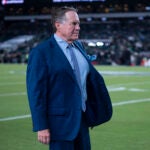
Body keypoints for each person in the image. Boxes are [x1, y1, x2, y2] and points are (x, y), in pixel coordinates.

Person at [26, 6, 112, 150]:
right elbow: (36, 92)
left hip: (82, 121)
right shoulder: (41, 52)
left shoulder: (79, 46)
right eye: (74, 23)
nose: (78, 27)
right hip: (59, 125)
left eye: (79, 24)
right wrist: (41, 126)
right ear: (58, 25)